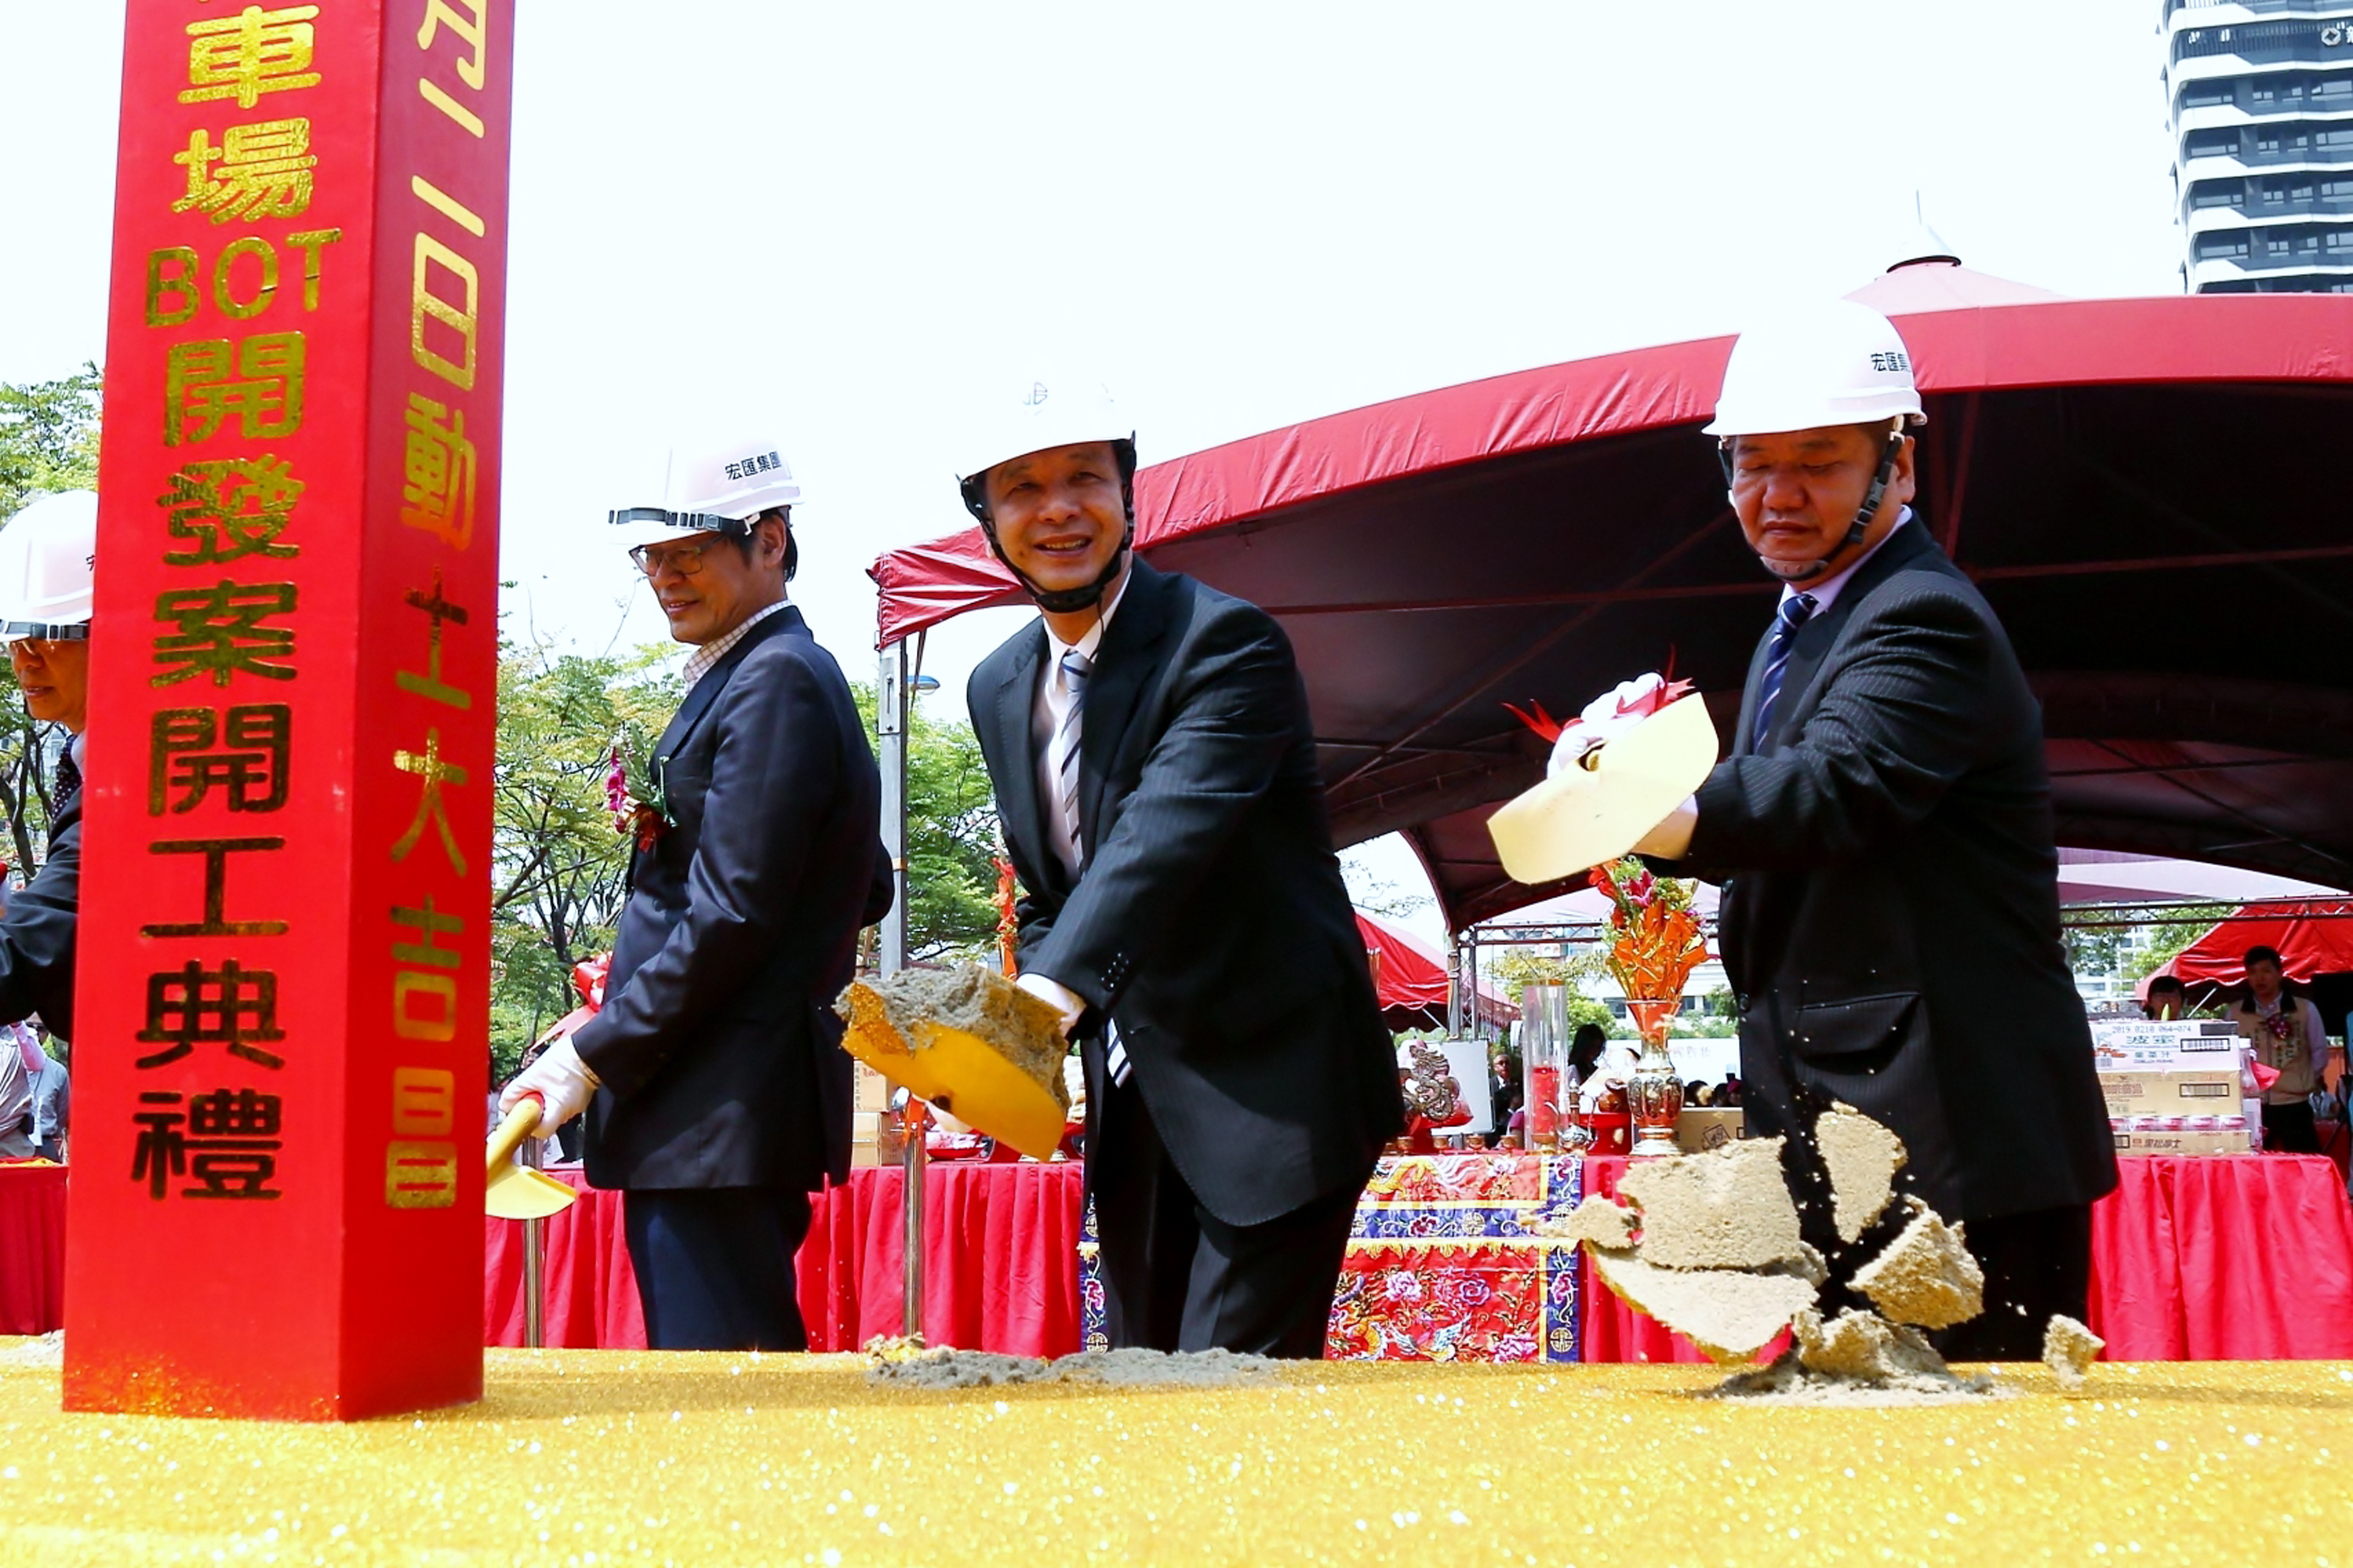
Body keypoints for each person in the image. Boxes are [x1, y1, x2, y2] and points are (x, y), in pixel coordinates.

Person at [1621, 300, 2117, 1359]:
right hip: (1853, 1134)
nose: (1776, 495)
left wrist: (1649, 810)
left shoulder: (1920, 615)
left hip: (1953, 1144)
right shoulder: (1802, 623)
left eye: (1819, 462)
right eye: (1751, 463)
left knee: (1978, 1473)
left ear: (1901, 464)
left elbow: (1838, 784)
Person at [960, 378, 1402, 1358]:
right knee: (1140, 1383)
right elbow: (1055, 894)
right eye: (1022, 488)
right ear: (986, 519)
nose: (1059, 508)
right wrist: (1017, 1037)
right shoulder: (997, 685)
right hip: (1138, 1101)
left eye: (1085, 478)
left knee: (1224, 1401)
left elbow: (1162, 840)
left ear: (1129, 494)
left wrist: (1038, 1003)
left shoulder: (1224, 643)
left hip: (1276, 1089)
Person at [500, 435, 890, 1351]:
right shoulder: (758, 676)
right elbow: (857, 881)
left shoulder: (776, 678)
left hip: (716, 1111)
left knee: (721, 1391)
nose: (668, 578)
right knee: (726, 1374)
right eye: (654, 559)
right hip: (718, 1106)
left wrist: (595, 1050)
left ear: (770, 539)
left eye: (692, 553)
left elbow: (734, 909)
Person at [0, 493, 96, 1047]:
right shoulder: (89, 769)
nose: (24, 660)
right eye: (14, 638)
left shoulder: (133, 783)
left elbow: (30, 950)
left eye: (49, 636)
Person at [2231, 944, 2328, 1155]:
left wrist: (2305, 1079)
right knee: (2254, 1165)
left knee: (2305, 1162)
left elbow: (2320, 1051)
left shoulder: (2304, 1009)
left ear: (2280, 973)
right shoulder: (2235, 1013)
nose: (2260, 978)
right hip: (2253, 1102)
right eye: (2253, 972)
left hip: (2295, 1102)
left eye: (2266, 971)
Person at [27, 1028, 66, 1161]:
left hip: (45, 1145)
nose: (34, 1032)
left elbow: (63, 1113)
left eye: (41, 1029)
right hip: (9, 1142)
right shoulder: (5, 1063)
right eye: (28, 1025)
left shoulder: (58, 1072)